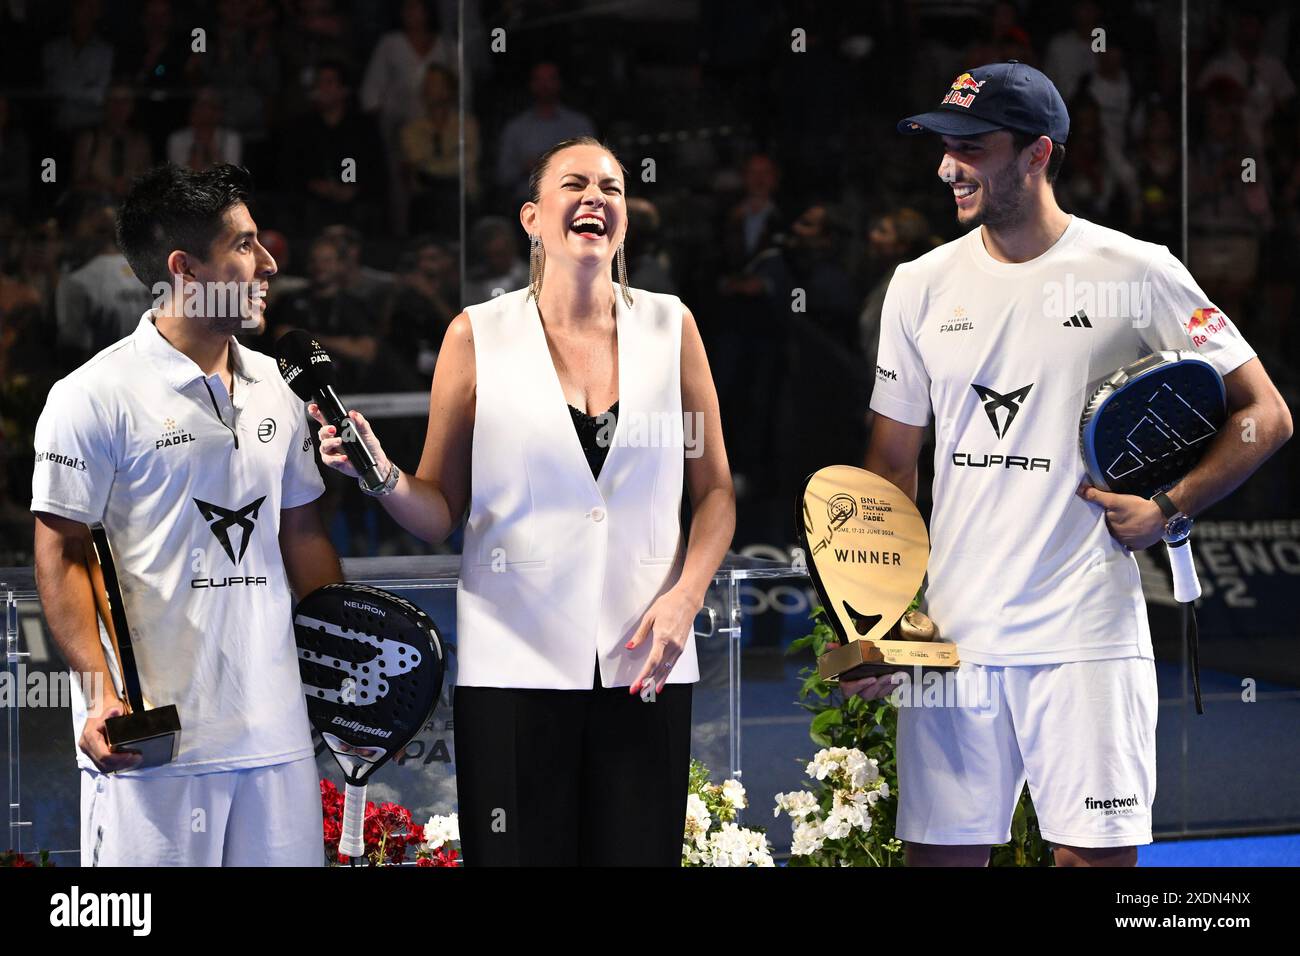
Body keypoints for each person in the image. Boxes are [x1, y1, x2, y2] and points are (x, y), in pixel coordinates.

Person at [853, 62, 1292, 867]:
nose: (948, 166)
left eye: (971, 148)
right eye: (944, 148)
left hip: (1087, 636)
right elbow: (889, 468)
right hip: (952, 639)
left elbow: (1266, 414)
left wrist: (1171, 507)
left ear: (1037, 154)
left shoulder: (1139, 270)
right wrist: (876, 618)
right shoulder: (917, 286)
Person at [308, 137, 736, 866]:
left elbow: (717, 491)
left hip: (647, 665)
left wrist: (686, 597)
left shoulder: (673, 326)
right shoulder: (475, 335)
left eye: (612, 187)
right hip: (511, 668)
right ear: (532, 217)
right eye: (576, 183)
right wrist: (380, 475)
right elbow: (439, 509)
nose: (596, 197)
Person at [31, 163, 343, 866]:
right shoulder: (91, 395)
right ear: (185, 268)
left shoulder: (280, 387)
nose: (269, 264)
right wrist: (99, 696)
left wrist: (343, 663)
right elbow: (61, 550)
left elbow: (302, 533)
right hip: (151, 747)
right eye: (245, 245)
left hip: (277, 740)